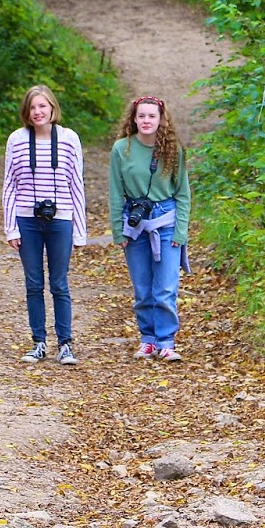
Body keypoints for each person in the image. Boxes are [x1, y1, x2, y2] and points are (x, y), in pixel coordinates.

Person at [2, 85, 87, 366]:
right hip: (27, 220)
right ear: (26, 112)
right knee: (33, 283)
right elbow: (10, 185)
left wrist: (79, 230)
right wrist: (11, 227)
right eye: (33, 107)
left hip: (60, 219)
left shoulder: (68, 138)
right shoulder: (16, 139)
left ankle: (65, 343)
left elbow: (76, 184)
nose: (38, 112)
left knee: (59, 283)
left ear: (52, 107)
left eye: (42, 106)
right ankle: (38, 342)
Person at [109, 95, 191, 363]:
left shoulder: (172, 149)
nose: (146, 120)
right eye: (141, 116)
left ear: (161, 119)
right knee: (143, 288)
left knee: (165, 288)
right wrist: (118, 229)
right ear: (133, 119)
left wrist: (180, 231)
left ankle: (166, 341)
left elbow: (183, 193)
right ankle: (148, 339)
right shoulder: (122, 149)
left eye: (152, 116)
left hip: (165, 220)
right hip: (135, 222)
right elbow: (115, 192)